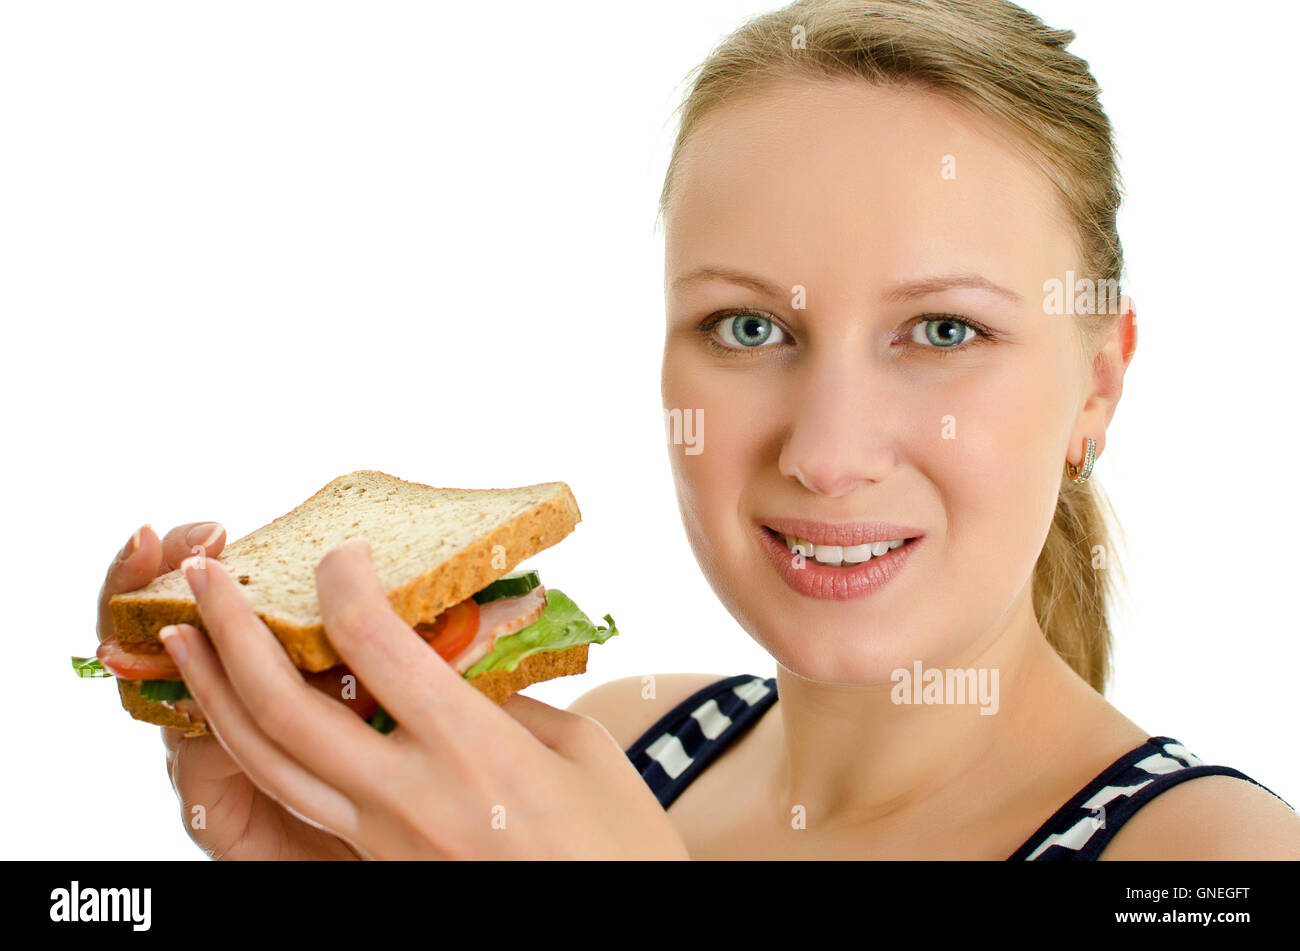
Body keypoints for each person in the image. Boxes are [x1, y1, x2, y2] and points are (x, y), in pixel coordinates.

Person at [95, 0, 1300, 859]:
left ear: (1096, 384)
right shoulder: (613, 743)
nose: (826, 454)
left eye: (941, 332)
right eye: (745, 329)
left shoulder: (1210, 859)